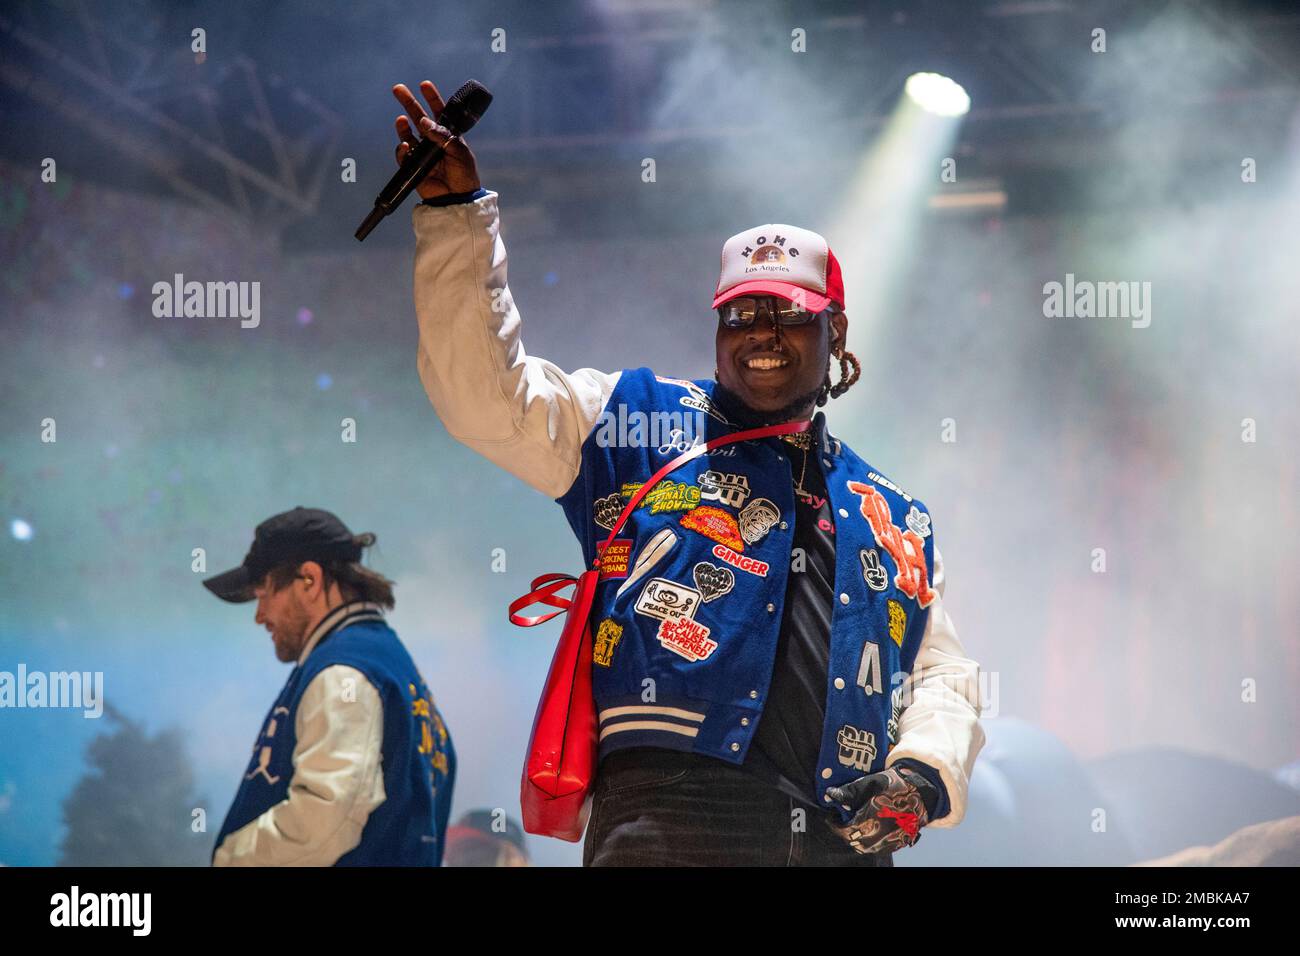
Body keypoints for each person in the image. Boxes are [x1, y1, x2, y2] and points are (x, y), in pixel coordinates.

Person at [396, 79, 983, 866]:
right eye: (741, 314)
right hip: (668, 819)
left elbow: (942, 670)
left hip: (840, 836)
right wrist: (456, 223)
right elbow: (483, 398)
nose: (760, 335)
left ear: (834, 330)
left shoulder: (892, 512)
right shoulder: (632, 417)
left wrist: (921, 778)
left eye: (785, 315)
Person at [203, 506, 456, 866]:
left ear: (309, 579)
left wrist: (232, 859)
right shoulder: (390, 665)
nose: (259, 616)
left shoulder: (344, 672)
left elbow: (325, 818)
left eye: (263, 594)